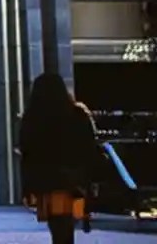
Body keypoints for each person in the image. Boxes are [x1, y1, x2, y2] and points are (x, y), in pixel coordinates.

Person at [19, 72, 100, 244]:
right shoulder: (78, 114)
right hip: (73, 181)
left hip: (46, 182)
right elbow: (89, 149)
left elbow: (27, 154)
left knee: (57, 226)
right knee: (67, 224)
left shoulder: (33, 118)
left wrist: (27, 188)